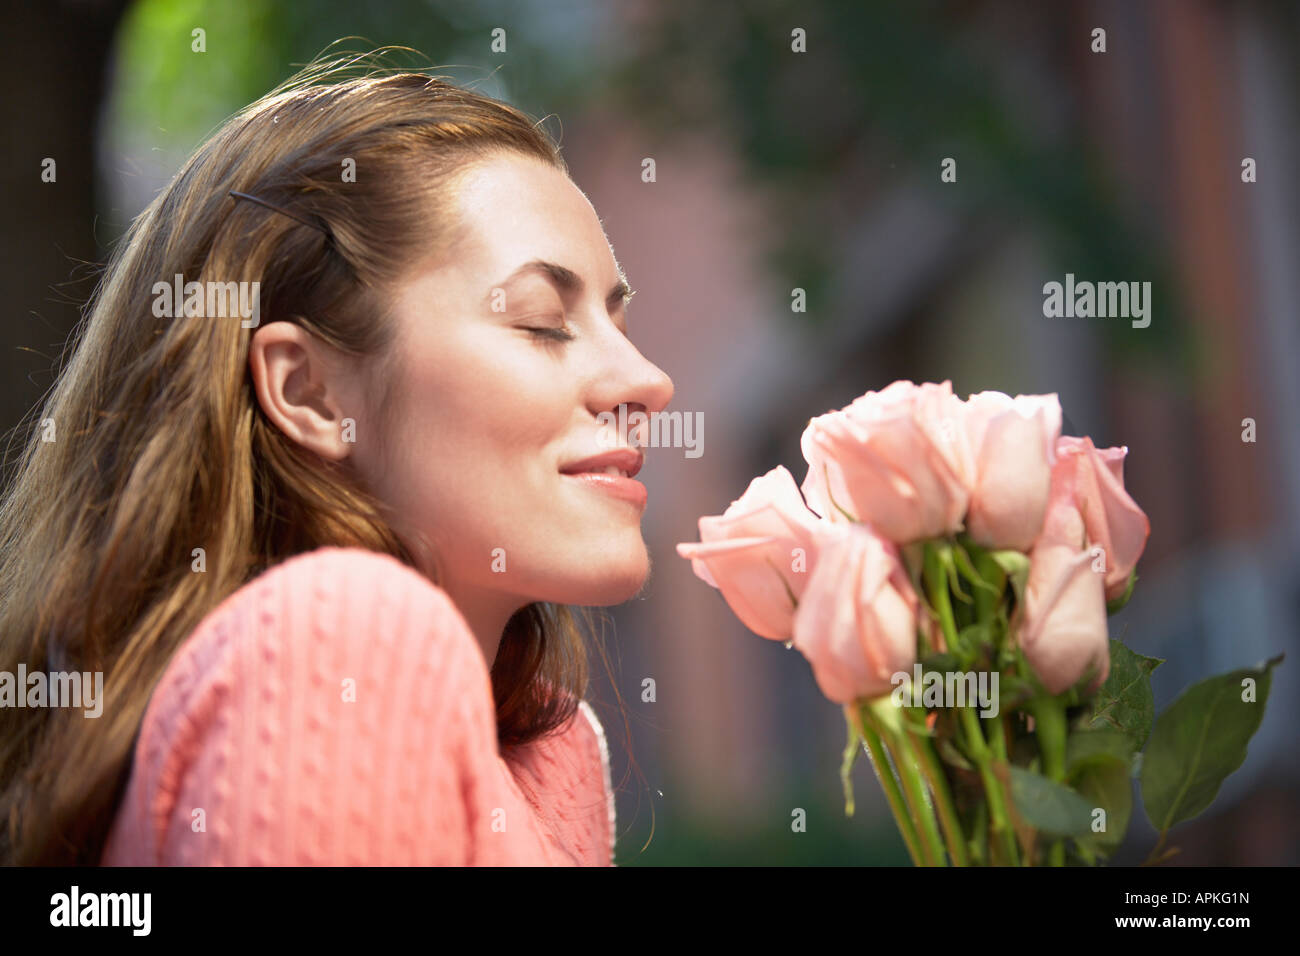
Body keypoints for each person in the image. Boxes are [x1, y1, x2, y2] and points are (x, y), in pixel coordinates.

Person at [0, 53, 674, 866]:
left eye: (617, 323)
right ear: (311, 392)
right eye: (540, 321)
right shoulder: (338, 645)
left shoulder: (548, 755)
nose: (647, 382)